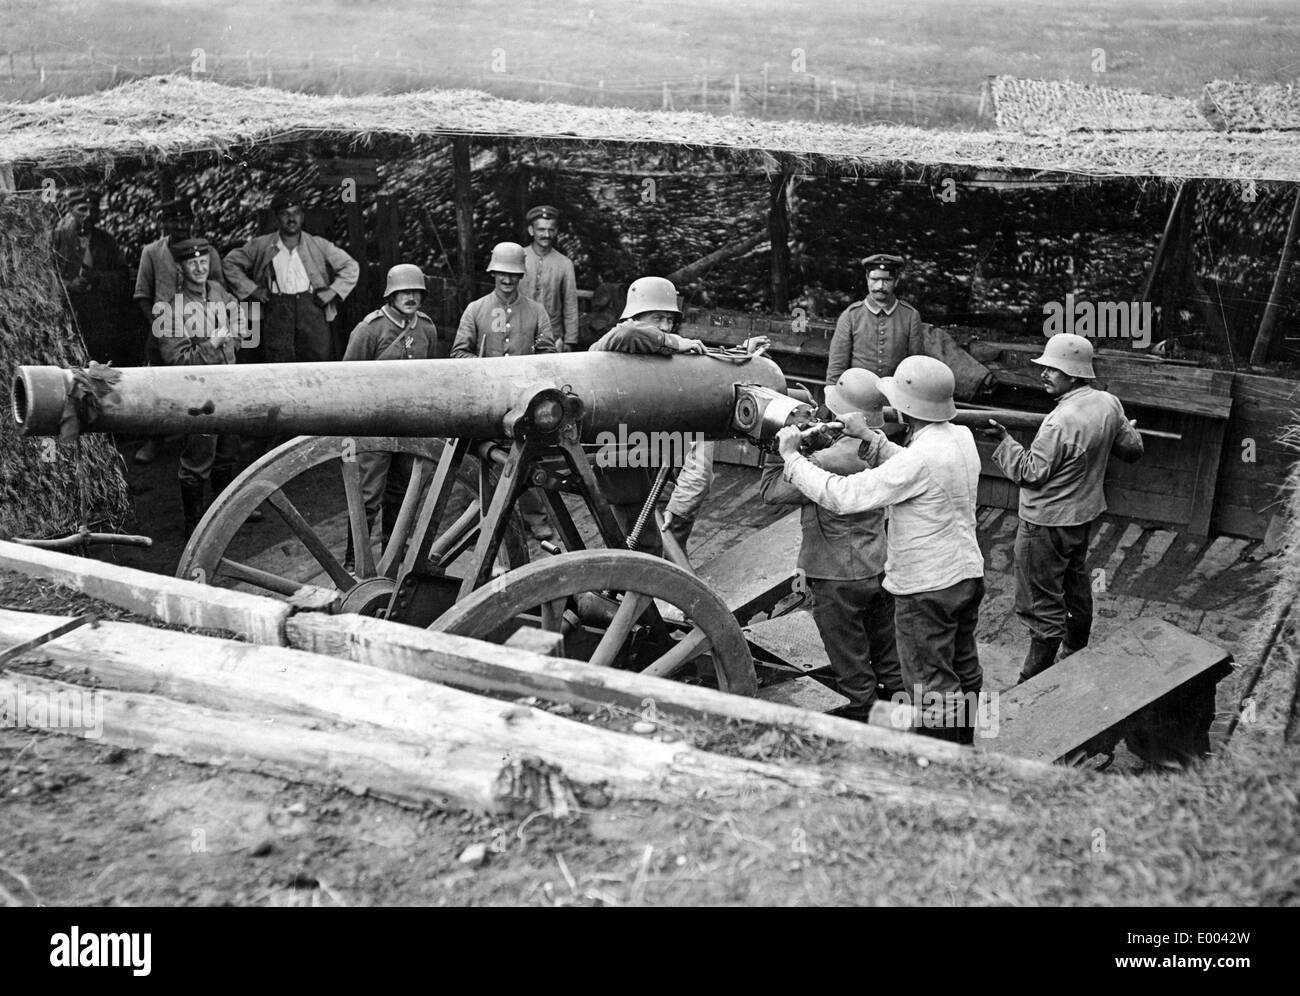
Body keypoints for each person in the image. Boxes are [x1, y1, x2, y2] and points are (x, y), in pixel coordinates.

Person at [776, 355, 985, 743]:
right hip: (966, 575)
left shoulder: (919, 459)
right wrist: (873, 439)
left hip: (926, 589)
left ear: (906, 407)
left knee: (928, 683)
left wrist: (791, 457)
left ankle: (939, 766)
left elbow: (843, 496)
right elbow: (913, 466)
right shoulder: (960, 438)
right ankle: (966, 746)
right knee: (964, 667)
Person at [985, 333, 1144, 683]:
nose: (1044, 373)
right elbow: (1132, 450)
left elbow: (1029, 474)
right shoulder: (1108, 403)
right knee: (1074, 586)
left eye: (1053, 369)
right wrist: (1124, 430)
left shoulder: (1058, 422)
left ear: (1074, 375)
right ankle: (1075, 653)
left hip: (1043, 525)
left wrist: (1004, 441)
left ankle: (1031, 680)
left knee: (1039, 603)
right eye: (1044, 367)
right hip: (1080, 519)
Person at [760, 369, 903, 719]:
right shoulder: (876, 449)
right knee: (888, 655)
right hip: (878, 565)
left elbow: (771, 492)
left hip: (836, 577)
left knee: (850, 661)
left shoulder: (824, 462)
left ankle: (860, 721)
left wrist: (778, 449)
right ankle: (905, 721)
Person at [587, 276, 708, 556]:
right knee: (643, 548)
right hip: (615, 455)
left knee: (638, 542)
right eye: (658, 318)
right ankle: (626, 596)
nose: (665, 326)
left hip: (639, 454)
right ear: (635, 316)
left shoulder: (650, 350)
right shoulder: (617, 339)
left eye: (670, 320)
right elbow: (628, 334)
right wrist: (675, 341)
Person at [453, 242, 557, 539]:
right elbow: (459, 353)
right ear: (493, 274)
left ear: (521, 275)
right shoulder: (475, 310)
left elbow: (548, 355)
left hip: (524, 401)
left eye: (513, 274)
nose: (507, 280)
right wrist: (489, 369)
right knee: (487, 461)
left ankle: (535, 517)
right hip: (487, 399)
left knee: (527, 458)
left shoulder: (537, 311)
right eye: (502, 274)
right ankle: (487, 521)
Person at [340, 264, 439, 570]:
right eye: (403, 292)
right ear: (391, 294)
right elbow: (347, 377)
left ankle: (392, 561)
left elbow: (429, 373)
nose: (410, 297)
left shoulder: (426, 328)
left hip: (410, 426)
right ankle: (353, 563)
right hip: (375, 426)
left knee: (403, 494)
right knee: (368, 497)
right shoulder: (370, 329)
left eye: (416, 292)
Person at [826, 253, 995, 409]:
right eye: (875, 279)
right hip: (855, 403)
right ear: (866, 279)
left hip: (894, 405)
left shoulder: (910, 316)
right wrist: (833, 402)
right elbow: (836, 368)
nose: (880, 286)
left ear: (897, 281)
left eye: (887, 280)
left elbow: (915, 368)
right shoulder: (851, 316)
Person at [154, 238, 242, 536]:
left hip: (227, 385)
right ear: (180, 267)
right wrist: (213, 343)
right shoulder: (170, 311)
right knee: (199, 456)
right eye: (192, 263)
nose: (200, 267)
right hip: (198, 393)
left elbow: (238, 314)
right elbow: (177, 362)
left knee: (228, 450)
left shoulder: (218, 292)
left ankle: (224, 513)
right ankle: (195, 523)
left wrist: (237, 332)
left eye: (204, 260)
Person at [131, 196, 226, 465]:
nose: (181, 225)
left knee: (204, 379)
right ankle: (154, 438)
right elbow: (142, 295)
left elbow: (217, 287)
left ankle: (205, 435)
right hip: (163, 325)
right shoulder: (152, 252)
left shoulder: (207, 251)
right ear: (164, 222)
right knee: (157, 383)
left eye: (185, 219)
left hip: (200, 324)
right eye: (175, 220)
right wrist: (160, 327)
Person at [222, 190, 359, 363]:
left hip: (312, 310)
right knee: (279, 363)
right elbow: (229, 263)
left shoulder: (317, 244)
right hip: (277, 311)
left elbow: (351, 266)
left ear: (302, 216)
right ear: (277, 218)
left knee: (317, 362)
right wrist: (252, 289)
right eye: (285, 214)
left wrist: (332, 291)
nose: (291, 219)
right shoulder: (262, 245)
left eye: (296, 213)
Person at [53, 188, 132, 368]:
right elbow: (44, 279)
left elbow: (122, 276)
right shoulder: (57, 239)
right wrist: (69, 286)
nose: (88, 215)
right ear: (70, 209)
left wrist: (97, 279)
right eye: (82, 209)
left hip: (100, 318)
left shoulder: (106, 241)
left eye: (93, 210)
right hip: (67, 316)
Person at [518, 205, 579, 352]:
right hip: (519, 333)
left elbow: (570, 304)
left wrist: (570, 340)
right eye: (541, 230)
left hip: (552, 336)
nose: (546, 234)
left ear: (556, 231)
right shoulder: (518, 257)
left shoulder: (565, 264)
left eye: (551, 230)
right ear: (531, 231)